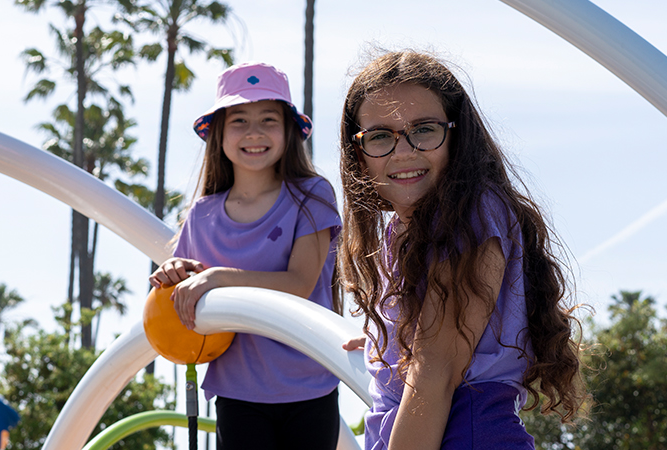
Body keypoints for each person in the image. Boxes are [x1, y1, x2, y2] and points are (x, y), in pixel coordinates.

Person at [335, 50, 588, 449]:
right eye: (381, 136)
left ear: (457, 135)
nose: (404, 151)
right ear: (358, 153)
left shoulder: (472, 213)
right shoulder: (405, 229)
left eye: (425, 129)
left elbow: (434, 374)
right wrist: (383, 340)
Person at [149, 62, 344, 450]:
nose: (254, 132)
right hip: (237, 393)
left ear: (289, 131)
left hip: (309, 386)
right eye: (239, 120)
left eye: (268, 119)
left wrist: (218, 277)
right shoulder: (202, 215)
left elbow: (299, 283)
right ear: (218, 133)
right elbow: (183, 297)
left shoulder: (311, 196)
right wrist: (174, 272)